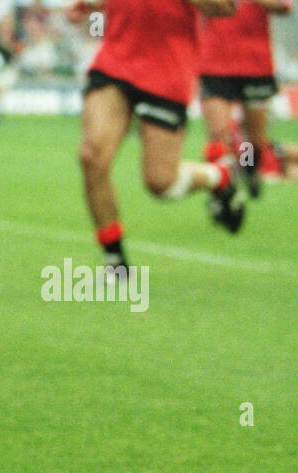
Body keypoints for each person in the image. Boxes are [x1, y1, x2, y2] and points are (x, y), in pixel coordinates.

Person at [68, 0, 246, 273]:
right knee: (91, 156)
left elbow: (225, 7)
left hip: (167, 71)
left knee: (160, 183)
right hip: (116, 61)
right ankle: (115, 262)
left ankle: (220, 176)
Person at [198, 0, 292, 199]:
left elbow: (284, 7)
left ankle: (249, 168)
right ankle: (221, 191)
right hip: (214, 63)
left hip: (255, 66)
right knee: (218, 131)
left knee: (254, 140)